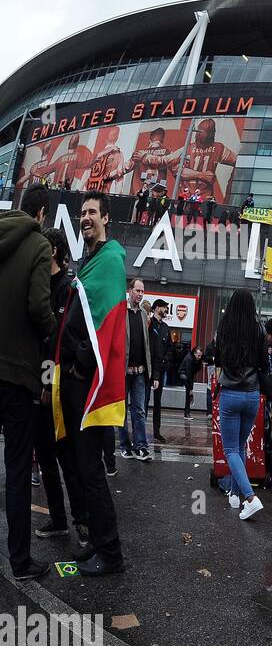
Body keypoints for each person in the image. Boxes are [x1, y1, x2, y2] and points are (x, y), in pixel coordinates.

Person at [57, 191, 127, 576]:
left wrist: (83, 363)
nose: (85, 218)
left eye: (92, 213)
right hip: (71, 380)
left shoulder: (110, 258)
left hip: (87, 382)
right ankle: (99, 543)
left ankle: (111, 553)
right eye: (82, 213)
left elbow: (105, 322)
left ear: (105, 218)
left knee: (92, 470)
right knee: (83, 469)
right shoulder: (88, 260)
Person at [0, 186, 58, 579]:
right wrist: (52, 332)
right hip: (18, 374)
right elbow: (39, 305)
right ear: (41, 213)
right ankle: (20, 561)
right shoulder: (38, 245)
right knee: (18, 468)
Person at [33, 226, 89, 543]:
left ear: (53, 250)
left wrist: (45, 384)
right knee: (45, 454)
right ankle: (58, 520)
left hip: (58, 386)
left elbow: (55, 341)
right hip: (41, 383)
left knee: (66, 456)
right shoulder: (42, 283)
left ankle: (82, 520)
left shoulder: (68, 287)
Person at [213, 290, 267, 521]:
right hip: (252, 394)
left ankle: (250, 498)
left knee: (231, 450)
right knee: (241, 447)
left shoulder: (225, 328)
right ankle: (235, 496)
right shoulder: (259, 330)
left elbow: (217, 358)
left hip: (231, 394)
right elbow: (265, 362)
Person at [120, 278, 153, 460]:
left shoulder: (143, 314)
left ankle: (141, 446)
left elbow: (146, 344)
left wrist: (149, 370)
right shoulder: (121, 311)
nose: (140, 294)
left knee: (139, 410)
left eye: (142, 291)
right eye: (137, 290)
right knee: (122, 411)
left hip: (140, 372)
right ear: (130, 290)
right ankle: (125, 446)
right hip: (123, 371)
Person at [149, 298, 171, 444]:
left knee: (158, 402)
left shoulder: (165, 327)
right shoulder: (148, 323)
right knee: (142, 402)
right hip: (148, 368)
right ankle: (138, 433)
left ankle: (157, 431)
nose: (165, 310)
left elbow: (169, 347)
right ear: (157, 308)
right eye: (164, 307)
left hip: (160, 369)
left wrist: (166, 361)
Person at [178, 344, 202, 420]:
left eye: (200, 355)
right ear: (195, 353)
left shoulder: (197, 359)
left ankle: (187, 411)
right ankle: (187, 412)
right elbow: (188, 373)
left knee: (188, 392)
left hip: (189, 374)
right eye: (198, 355)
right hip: (183, 373)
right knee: (188, 390)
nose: (199, 357)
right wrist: (191, 388)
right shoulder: (189, 359)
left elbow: (194, 371)